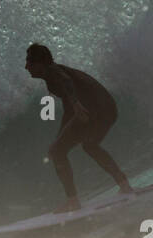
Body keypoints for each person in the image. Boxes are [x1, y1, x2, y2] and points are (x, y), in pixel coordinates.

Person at [24, 43, 136, 212]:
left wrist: (76, 104)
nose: (26, 67)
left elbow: (66, 82)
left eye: (29, 62)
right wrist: (62, 132)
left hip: (95, 109)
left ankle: (73, 201)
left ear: (41, 63)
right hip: (107, 108)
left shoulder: (53, 72)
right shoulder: (53, 74)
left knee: (57, 152)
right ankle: (124, 185)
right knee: (89, 146)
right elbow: (68, 108)